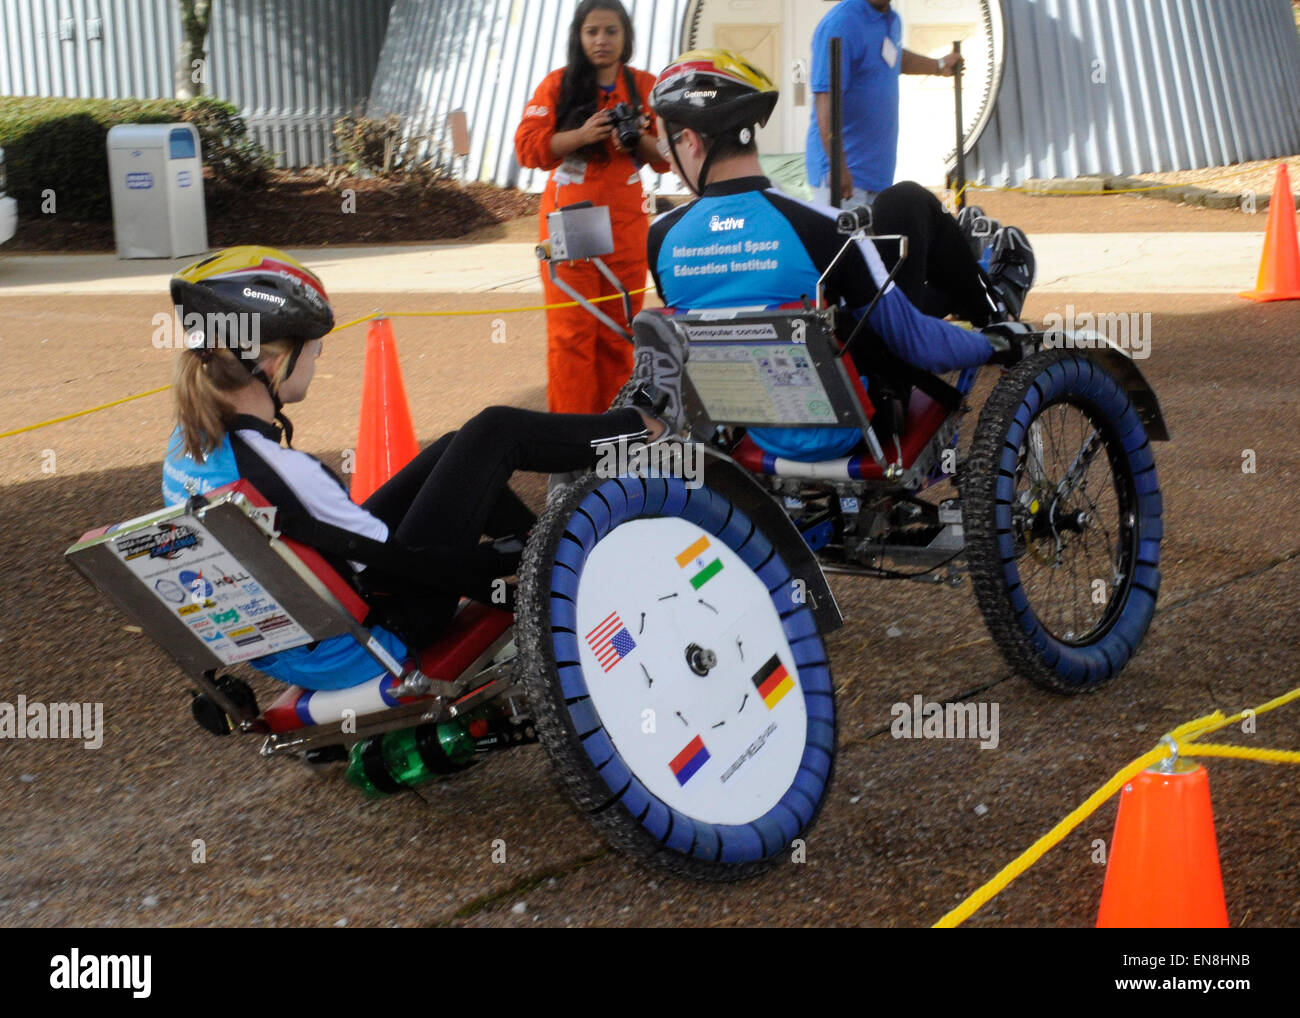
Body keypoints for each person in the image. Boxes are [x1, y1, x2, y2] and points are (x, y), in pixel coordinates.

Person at [163, 246, 666, 691]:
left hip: (304, 642)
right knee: (495, 433)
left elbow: (353, 543)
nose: (317, 356)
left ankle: (570, 563)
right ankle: (649, 426)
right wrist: (509, 557)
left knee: (457, 451)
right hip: (377, 636)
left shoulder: (189, 449)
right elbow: (397, 560)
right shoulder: (283, 470)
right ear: (273, 362)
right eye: (313, 346)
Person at [644, 50, 1036, 463]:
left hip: (755, 427)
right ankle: (992, 306)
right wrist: (993, 345)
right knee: (904, 203)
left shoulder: (661, 238)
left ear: (689, 140)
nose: (668, 161)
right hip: (858, 426)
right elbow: (915, 344)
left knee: (857, 272)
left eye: (666, 146)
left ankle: (964, 281)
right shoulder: (822, 226)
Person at [514, 0, 670, 415]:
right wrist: (581, 134)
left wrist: (636, 138)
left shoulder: (645, 86)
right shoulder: (558, 85)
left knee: (621, 334)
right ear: (578, 37)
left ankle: (614, 437)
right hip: (571, 220)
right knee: (571, 337)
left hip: (626, 226)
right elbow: (528, 149)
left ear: (626, 37)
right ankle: (570, 448)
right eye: (592, 32)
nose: (601, 40)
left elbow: (669, 156)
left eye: (611, 31)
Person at [806, 0, 960, 207]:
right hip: (844, 180)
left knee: (877, 239)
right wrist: (839, 166)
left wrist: (939, 66)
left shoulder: (892, 20)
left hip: (878, 178)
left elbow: (893, 57)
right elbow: (825, 98)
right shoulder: (841, 23)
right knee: (845, 240)